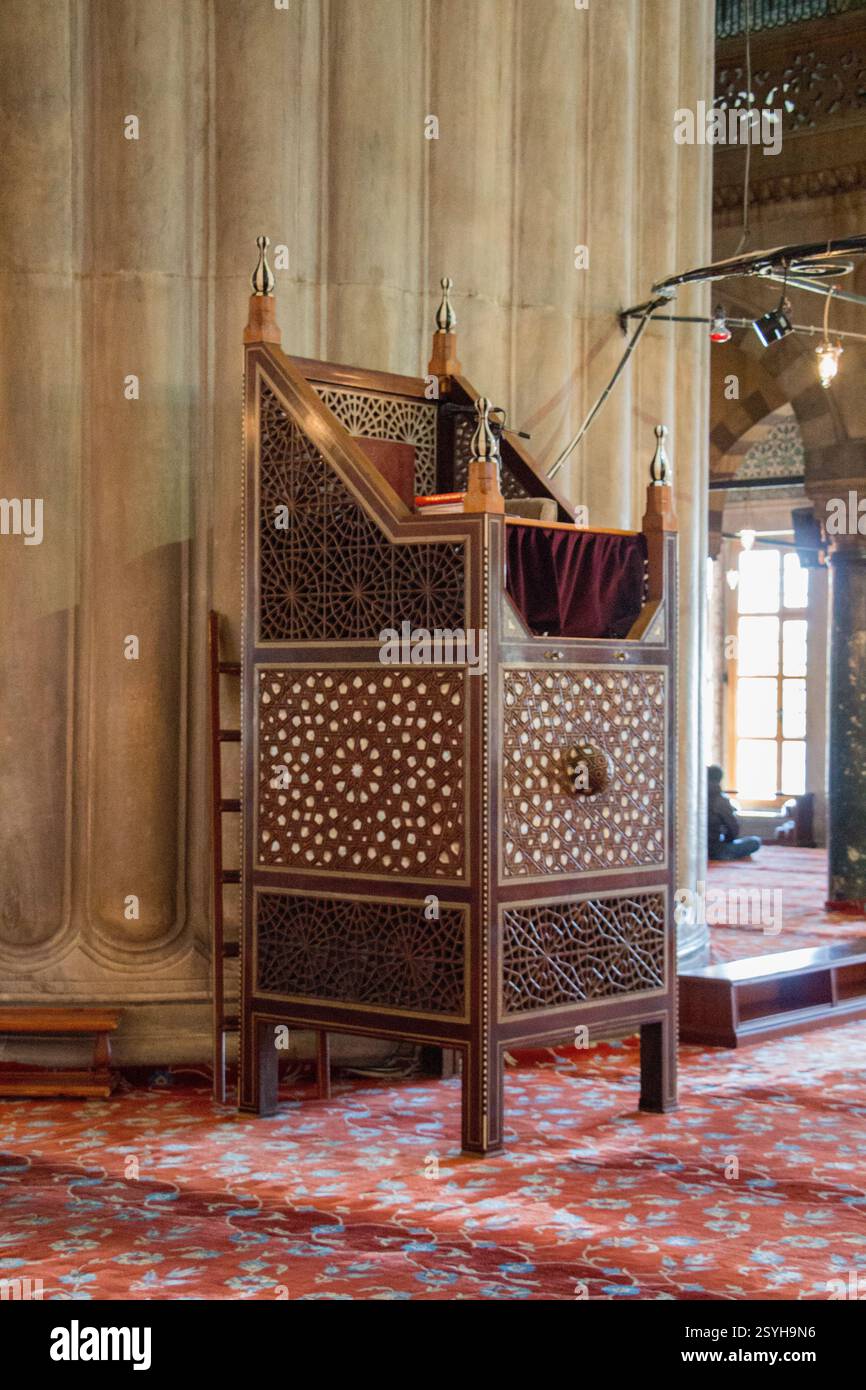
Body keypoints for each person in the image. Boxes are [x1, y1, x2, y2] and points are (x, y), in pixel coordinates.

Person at [707, 765, 761, 860]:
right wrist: (726, 841)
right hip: (714, 850)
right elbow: (733, 829)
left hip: (694, 848)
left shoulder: (692, 796)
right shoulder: (720, 800)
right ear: (720, 779)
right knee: (755, 842)